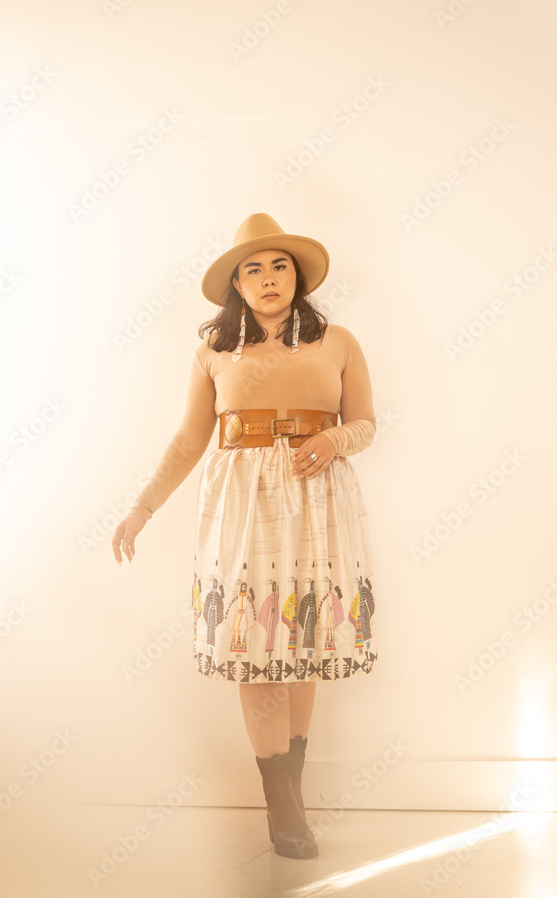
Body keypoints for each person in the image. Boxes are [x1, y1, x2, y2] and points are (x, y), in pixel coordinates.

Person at [111, 213, 378, 859]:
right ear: (236, 284)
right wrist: (141, 509)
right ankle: (280, 804)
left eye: (279, 265)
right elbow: (187, 440)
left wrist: (331, 438)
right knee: (256, 643)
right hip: (240, 507)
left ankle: (295, 790)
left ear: (297, 277)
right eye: (252, 269)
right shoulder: (213, 354)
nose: (267, 278)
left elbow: (366, 422)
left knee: (304, 641)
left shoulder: (337, 341)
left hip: (317, 501)